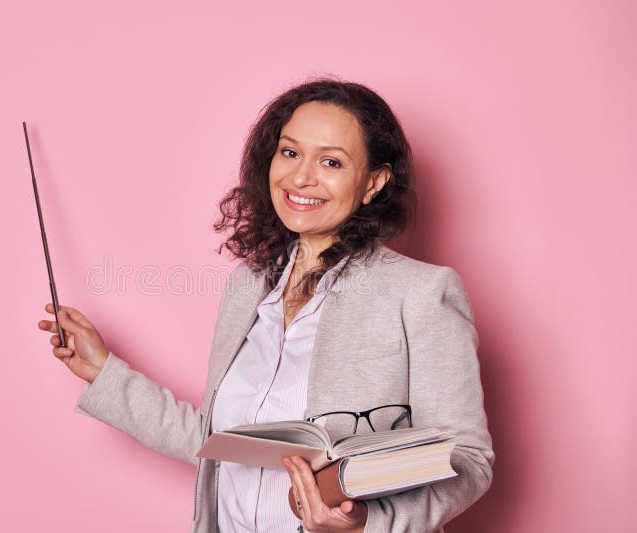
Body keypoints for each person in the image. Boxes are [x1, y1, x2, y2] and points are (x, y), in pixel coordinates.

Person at [37, 79, 494, 533]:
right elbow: (219, 442)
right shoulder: (248, 285)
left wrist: (366, 525)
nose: (300, 177)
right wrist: (102, 371)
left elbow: (468, 461)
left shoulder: (421, 293)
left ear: (373, 182)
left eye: (331, 161)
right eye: (290, 152)